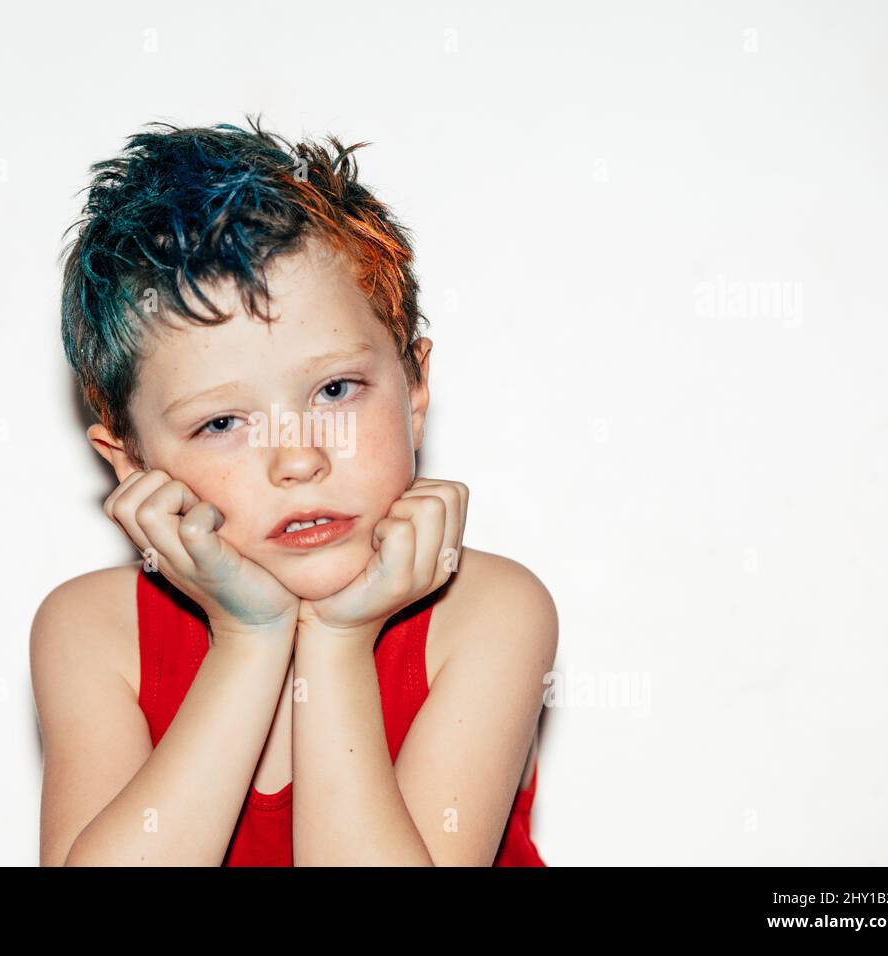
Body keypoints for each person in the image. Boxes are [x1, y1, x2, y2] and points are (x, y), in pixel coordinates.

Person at [31, 116, 558, 866]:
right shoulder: (93, 632)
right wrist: (248, 639)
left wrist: (339, 642)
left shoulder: (489, 612)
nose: (299, 459)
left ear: (414, 388)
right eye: (222, 423)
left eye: (335, 388)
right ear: (132, 464)